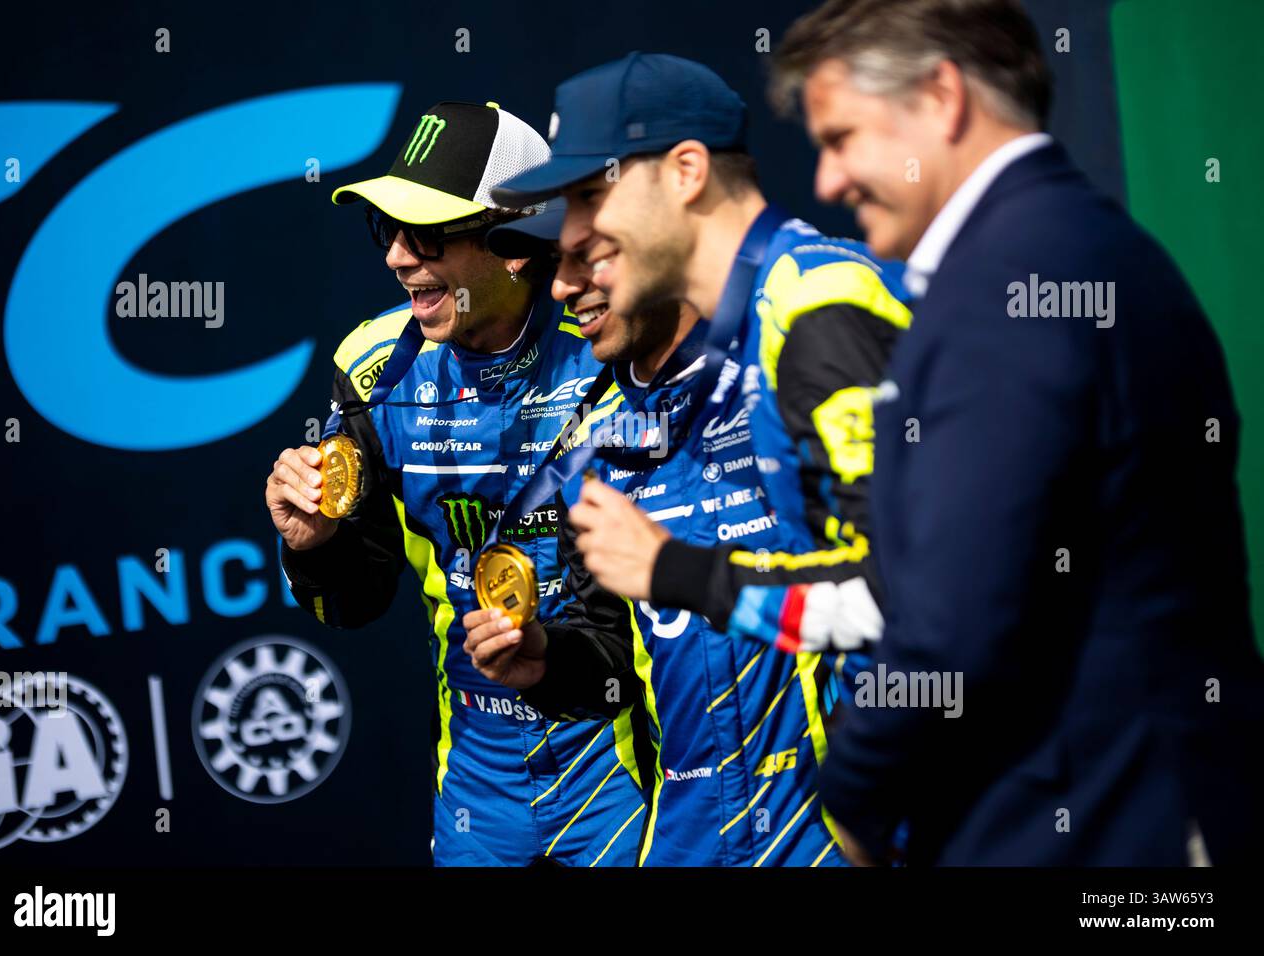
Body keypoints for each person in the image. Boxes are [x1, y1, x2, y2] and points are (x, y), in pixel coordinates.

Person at [771, 0, 1264, 865]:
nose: (826, 181)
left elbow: (951, 620)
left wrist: (850, 792)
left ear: (941, 98)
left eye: (842, 137)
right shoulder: (1095, 248)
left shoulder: (1005, 290)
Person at [468, 53, 909, 865]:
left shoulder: (812, 310)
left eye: (591, 204)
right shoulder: (596, 436)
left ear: (686, 171)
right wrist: (545, 665)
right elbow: (615, 658)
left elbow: (917, 599)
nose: (567, 263)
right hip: (693, 844)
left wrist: (678, 571)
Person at [265, 101, 646, 867]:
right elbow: (354, 600)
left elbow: (652, 614)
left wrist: (548, 659)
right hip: (478, 779)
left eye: (427, 235)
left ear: (512, 244)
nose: (397, 259)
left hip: (622, 766)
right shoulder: (374, 366)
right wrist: (315, 545)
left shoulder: (612, 354)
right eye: (388, 231)